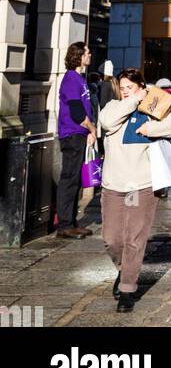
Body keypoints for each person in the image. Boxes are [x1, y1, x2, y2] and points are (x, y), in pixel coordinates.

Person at [98, 68, 171, 312]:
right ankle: (124, 270)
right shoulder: (113, 107)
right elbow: (106, 122)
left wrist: (152, 129)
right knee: (111, 239)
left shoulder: (154, 106)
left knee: (134, 239)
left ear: (142, 85)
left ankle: (128, 289)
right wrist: (133, 100)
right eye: (123, 88)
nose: (126, 91)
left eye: (131, 87)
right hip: (113, 185)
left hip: (142, 184)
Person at [56, 42, 98, 239]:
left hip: (79, 134)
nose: (90, 55)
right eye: (87, 52)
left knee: (76, 180)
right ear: (79, 56)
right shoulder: (72, 79)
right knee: (69, 179)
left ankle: (72, 222)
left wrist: (89, 132)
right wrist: (91, 128)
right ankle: (64, 225)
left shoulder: (79, 79)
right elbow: (76, 111)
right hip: (72, 134)